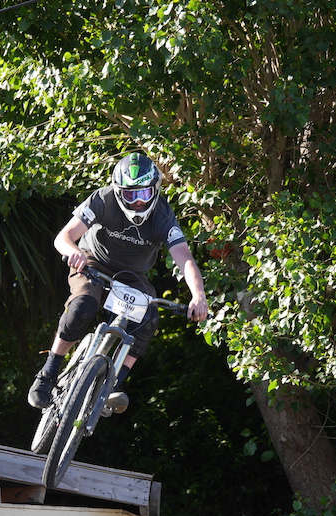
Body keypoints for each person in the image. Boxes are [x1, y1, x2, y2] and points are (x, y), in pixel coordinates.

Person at [28, 151, 209, 413]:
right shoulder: (103, 199)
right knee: (82, 308)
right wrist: (73, 251)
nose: (136, 202)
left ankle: (111, 385)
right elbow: (63, 238)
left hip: (133, 276)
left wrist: (198, 295)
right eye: (129, 194)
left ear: (155, 191)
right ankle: (49, 372)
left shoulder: (163, 216)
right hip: (93, 262)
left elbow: (185, 259)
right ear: (117, 190)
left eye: (143, 194)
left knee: (148, 321)